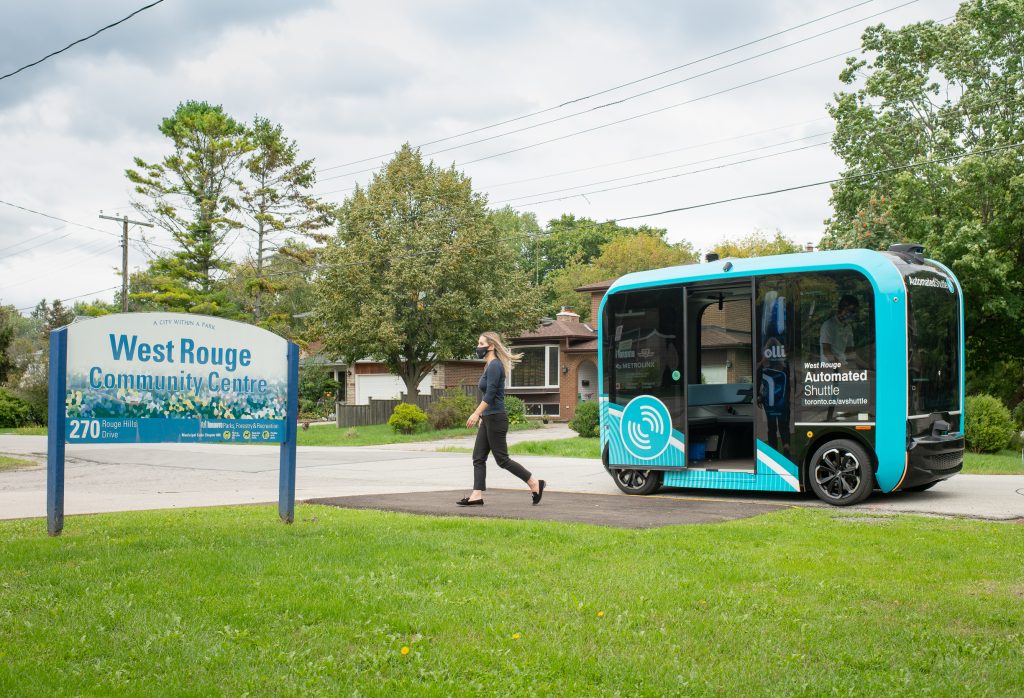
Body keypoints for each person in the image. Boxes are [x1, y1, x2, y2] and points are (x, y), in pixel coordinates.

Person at [457, 331, 546, 507]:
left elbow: (490, 395)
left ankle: (534, 482)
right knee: (478, 456)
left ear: (491, 346)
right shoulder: (488, 365)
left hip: (496, 418)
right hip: (488, 417)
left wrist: (476, 413)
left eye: (481, 344)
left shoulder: (495, 366)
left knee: (502, 459)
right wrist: (483, 415)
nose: (478, 347)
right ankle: (476, 495)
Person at [819, 294, 864, 367]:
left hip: (842, 365)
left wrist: (867, 366)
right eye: (850, 311)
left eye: (854, 312)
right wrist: (842, 369)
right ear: (842, 308)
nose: (852, 314)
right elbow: (826, 351)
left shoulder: (848, 327)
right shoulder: (828, 325)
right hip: (828, 368)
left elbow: (850, 352)